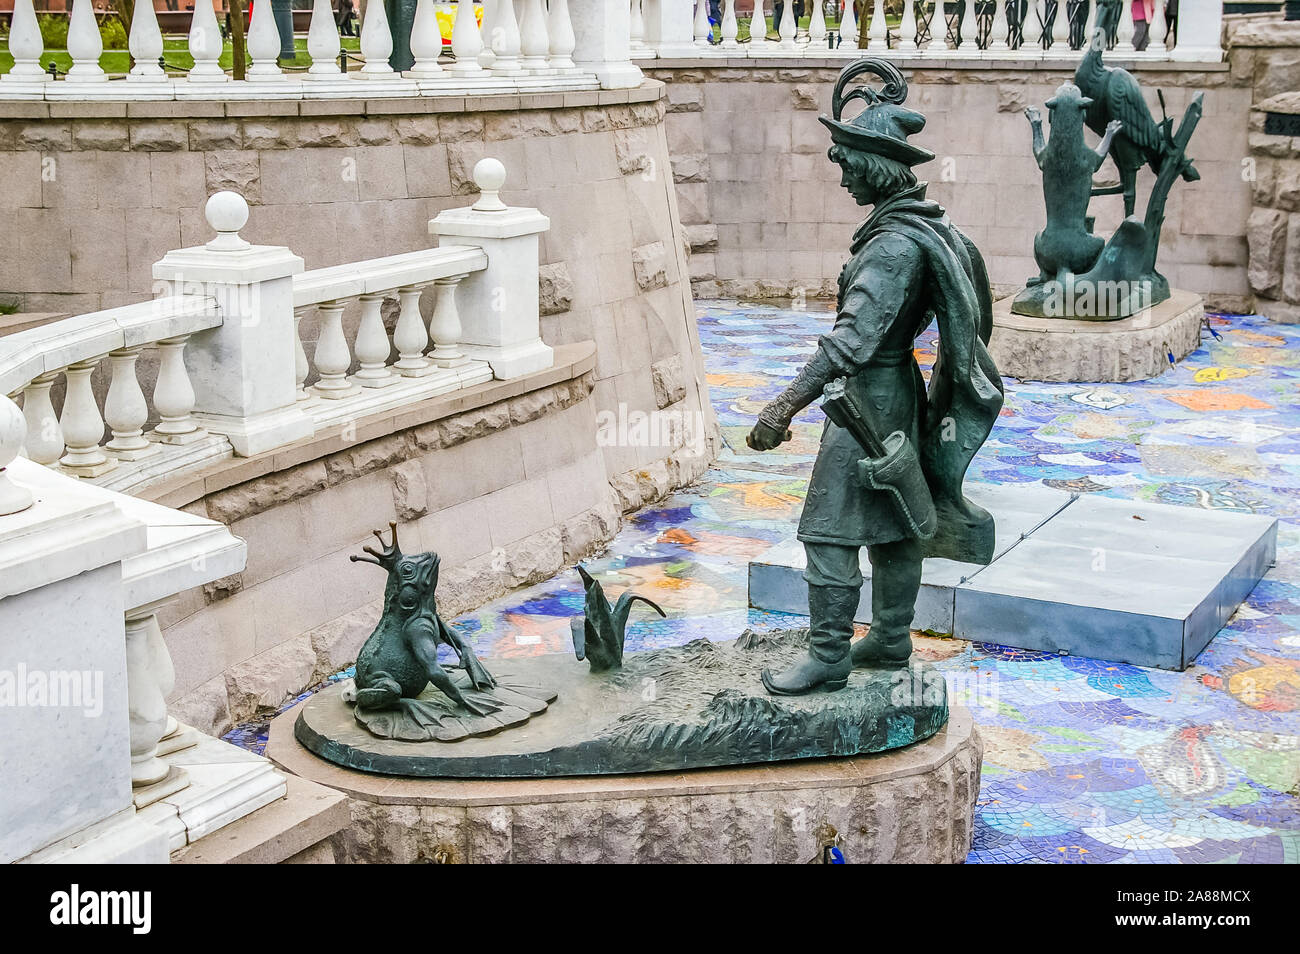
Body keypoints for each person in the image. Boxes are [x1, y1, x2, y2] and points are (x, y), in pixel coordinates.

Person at [746, 60, 1003, 696]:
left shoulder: (892, 248)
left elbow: (849, 345)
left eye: (845, 163)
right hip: (900, 396)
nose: (841, 177)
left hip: (869, 404)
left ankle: (830, 653)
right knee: (894, 525)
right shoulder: (916, 229)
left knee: (827, 533)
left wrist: (780, 408)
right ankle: (890, 639)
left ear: (871, 166)